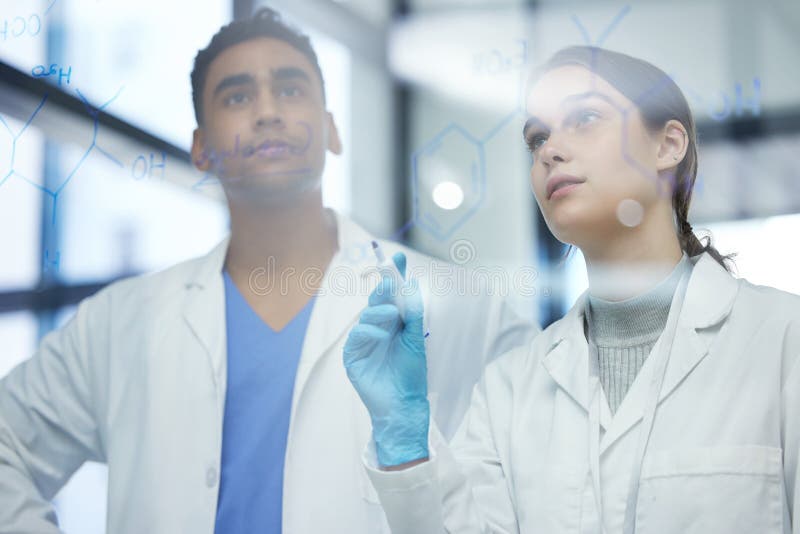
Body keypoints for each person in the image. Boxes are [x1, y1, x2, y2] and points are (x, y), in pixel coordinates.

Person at [0, 8, 539, 534]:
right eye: (237, 96)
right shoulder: (119, 324)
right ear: (201, 149)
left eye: (291, 89)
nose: (267, 111)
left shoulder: (463, 309)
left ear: (331, 129)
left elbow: (544, 483)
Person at [344, 45, 800, 533]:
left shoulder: (782, 341)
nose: (549, 150)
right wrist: (405, 440)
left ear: (667, 145)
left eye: (584, 117)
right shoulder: (510, 389)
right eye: (537, 137)